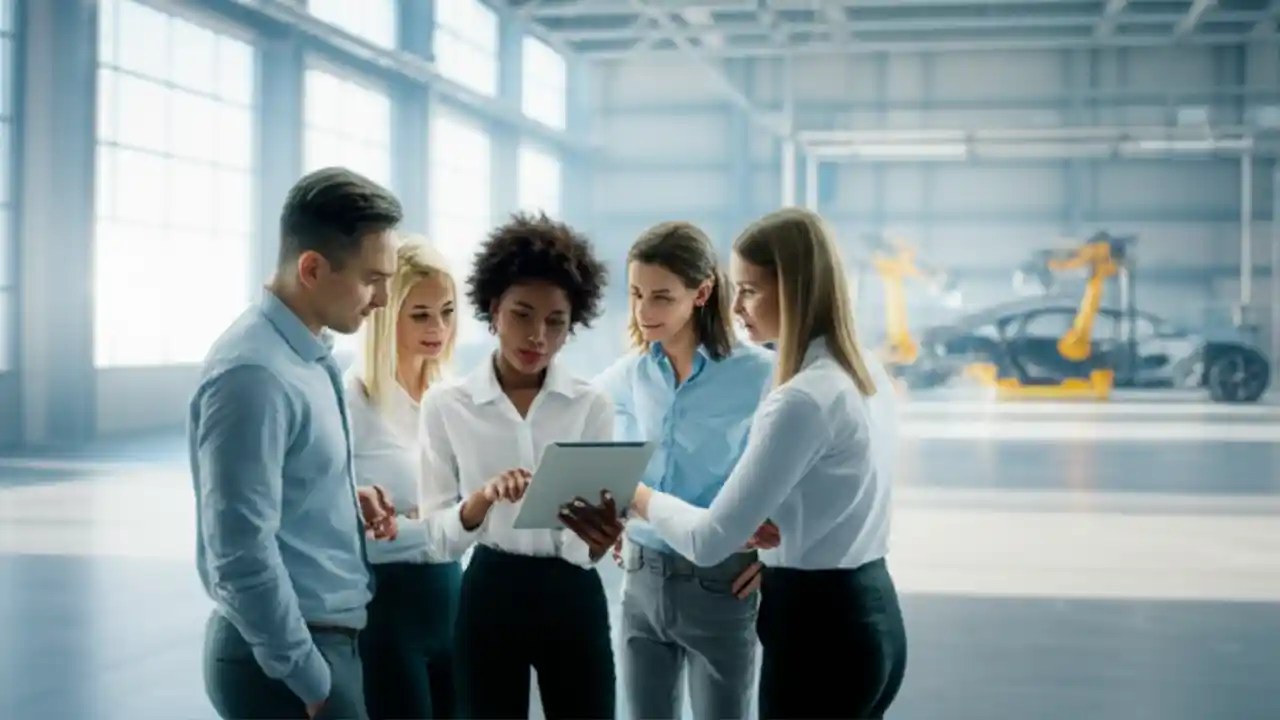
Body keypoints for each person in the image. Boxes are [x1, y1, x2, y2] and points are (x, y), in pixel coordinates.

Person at [569, 207, 908, 720]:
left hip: (801, 617)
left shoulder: (794, 393)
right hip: (862, 607)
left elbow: (711, 538)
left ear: (791, 288)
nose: (738, 302)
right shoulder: (862, 374)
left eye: (749, 289)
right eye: (637, 294)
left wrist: (632, 494)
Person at [190, 167, 405, 720]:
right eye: (372, 279)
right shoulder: (255, 374)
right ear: (312, 268)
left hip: (321, 645)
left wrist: (337, 498)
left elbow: (282, 486)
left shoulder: (305, 355)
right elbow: (237, 553)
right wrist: (309, 677)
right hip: (288, 662)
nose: (384, 298)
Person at [416, 212, 622, 719]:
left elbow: (582, 547)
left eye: (556, 322)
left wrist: (598, 538)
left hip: (572, 593)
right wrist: (482, 499)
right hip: (491, 590)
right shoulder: (447, 404)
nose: (538, 337)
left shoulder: (590, 405)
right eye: (522, 315)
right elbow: (438, 536)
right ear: (493, 310)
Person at [593, 221, 775, 720]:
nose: (643, 312)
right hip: (640, 577)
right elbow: (578, 419)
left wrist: (781, 564)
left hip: (722, 582)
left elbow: (803, 475)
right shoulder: (630, 372)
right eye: (635, 294)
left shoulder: (759, 374)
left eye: (661, 298)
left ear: (701, 293)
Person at [343, 238, 464, 719]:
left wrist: (420, 519)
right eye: (420, 314)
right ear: (385, 314)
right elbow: (351, 527)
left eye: (448, 311)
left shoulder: (452, 399)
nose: (439, 328)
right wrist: (439, 522)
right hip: (388, 611)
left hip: (455, 602)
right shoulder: (352, 401)